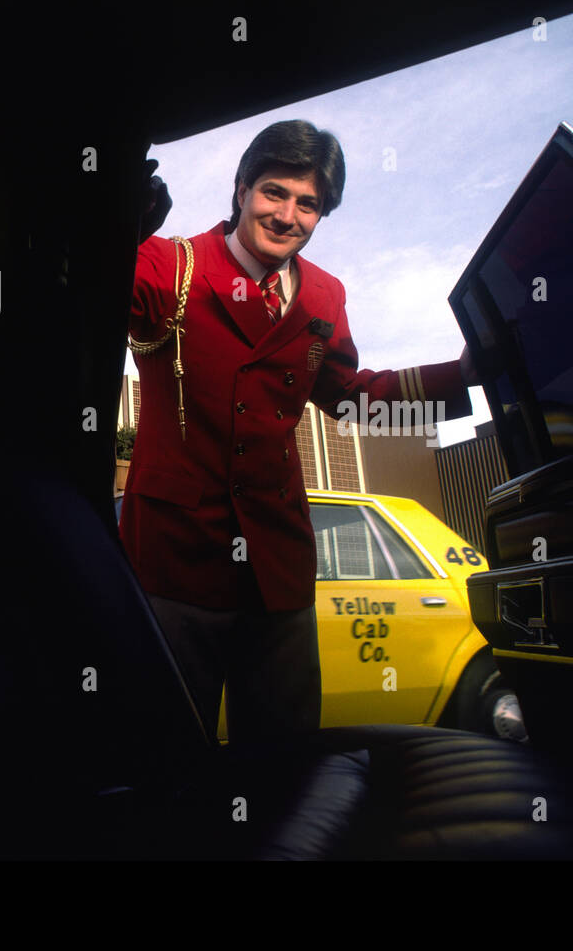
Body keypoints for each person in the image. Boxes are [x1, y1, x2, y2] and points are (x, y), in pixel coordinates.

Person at [121, 119, 479, 745]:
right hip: (173, 564)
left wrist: (465, 374)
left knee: (284, 770)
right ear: (240, 191)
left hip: (278, 571)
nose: (287, 215)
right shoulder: (167, 265)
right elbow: (85, 301)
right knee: (163, 763)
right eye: (273, 192)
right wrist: (110, 230)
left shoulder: (324, 296)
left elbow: (351, 399)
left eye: (307, 203)